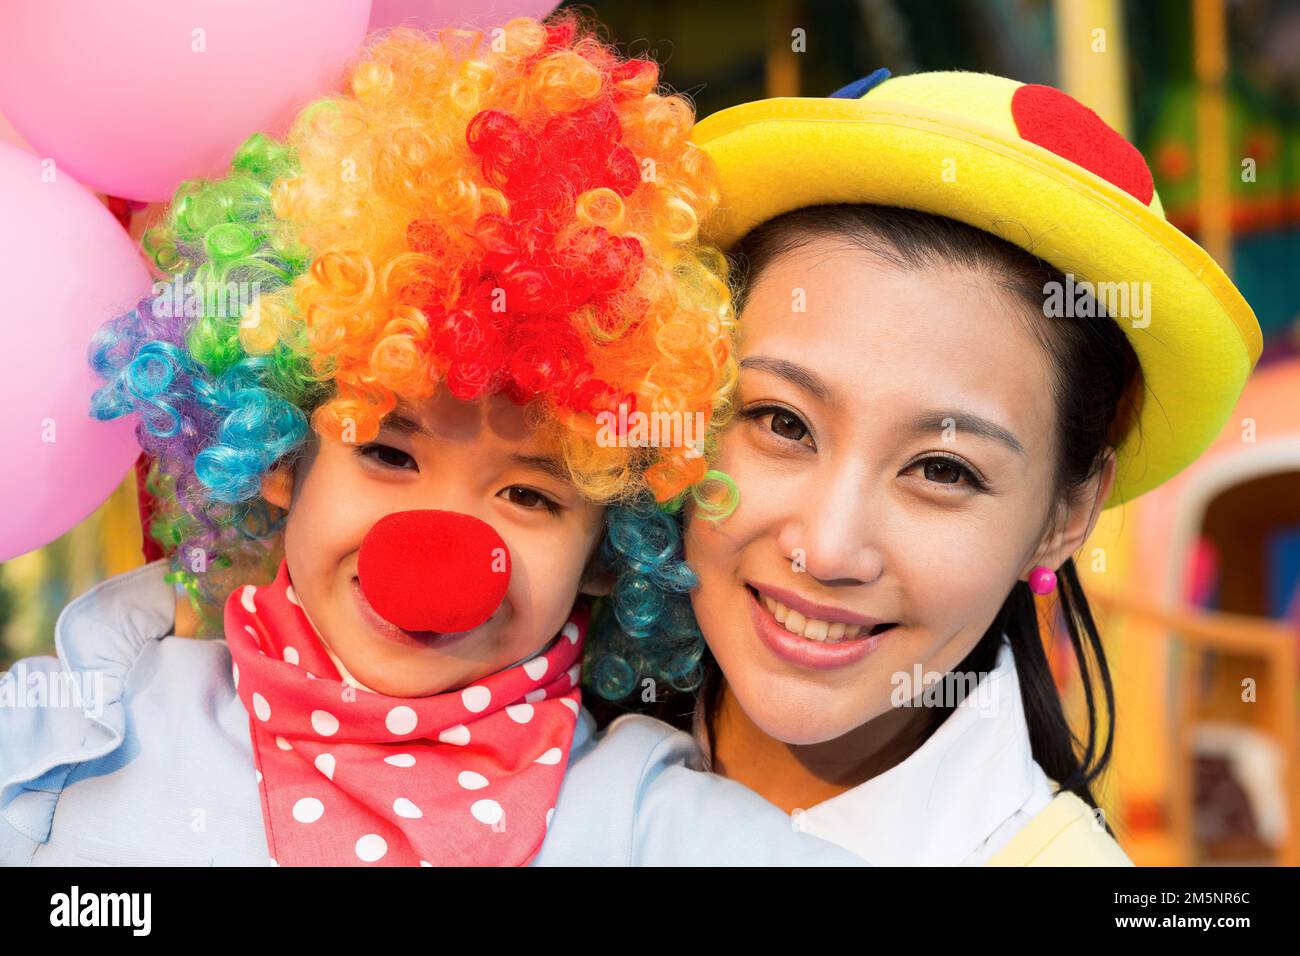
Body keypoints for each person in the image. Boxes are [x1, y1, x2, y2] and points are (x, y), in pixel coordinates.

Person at [0, 17, 864, 868]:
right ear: (281, 456)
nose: (441, 541)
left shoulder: (656, 824)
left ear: (612, 548)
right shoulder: (73, 736)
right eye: (387, 453)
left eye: (530, 495)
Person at [588, 68, 1261, 865]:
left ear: (1064, 519)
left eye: (943, 470)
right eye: (781, 422)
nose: (829, 550)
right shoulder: (492, 751)